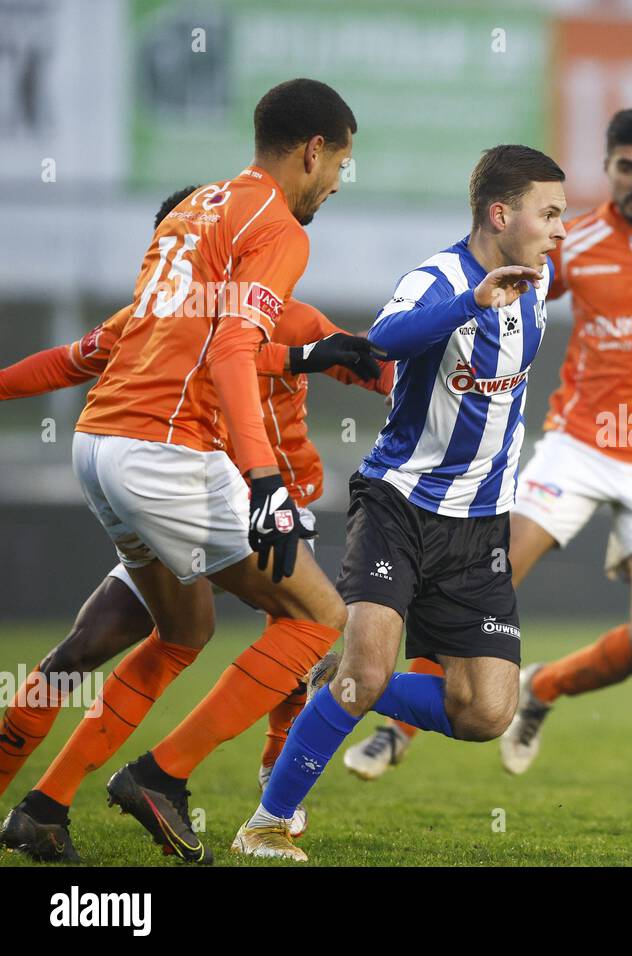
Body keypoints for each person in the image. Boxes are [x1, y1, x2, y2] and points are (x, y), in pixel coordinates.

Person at [344, 108, 632, 781]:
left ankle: (543, 689)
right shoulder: (576, 240)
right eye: (627, 166)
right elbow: (509, 289)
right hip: (580, 444)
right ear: (610, 167)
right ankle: (397, 729)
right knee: (493, 569)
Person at [0, 185, 390, 862]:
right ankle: (150, 783)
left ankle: (50, 806)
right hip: (190, 488)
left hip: (221, 495)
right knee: (303, 623)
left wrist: (383, 350)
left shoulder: (265, 314)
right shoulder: (165, 319)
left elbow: (369, 368)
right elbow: (84, 360)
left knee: (177, 636)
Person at [231, 144, 567, 860]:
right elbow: (380, 343)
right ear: (500, 214)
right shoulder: (439, 278)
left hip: (481, 526)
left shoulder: (541, 278)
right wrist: (470, 304)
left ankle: (345, 677)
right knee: (368, 670)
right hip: (400, 505)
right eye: (550, 213)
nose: (559, 229)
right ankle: (265, 822)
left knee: (485, 711)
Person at [58, 78, 360, 864]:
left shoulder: (197, 207)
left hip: (99, 440)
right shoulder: (282, 230)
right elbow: (231, 348)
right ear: (313, 151)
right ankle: (161, 775)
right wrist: (264, 481)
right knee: (321, 618)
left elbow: (193, 334)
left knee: (184, 628)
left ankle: (42, 805)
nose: (335, 185)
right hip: (168, 450)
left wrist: (308, 356)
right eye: (340, 166)